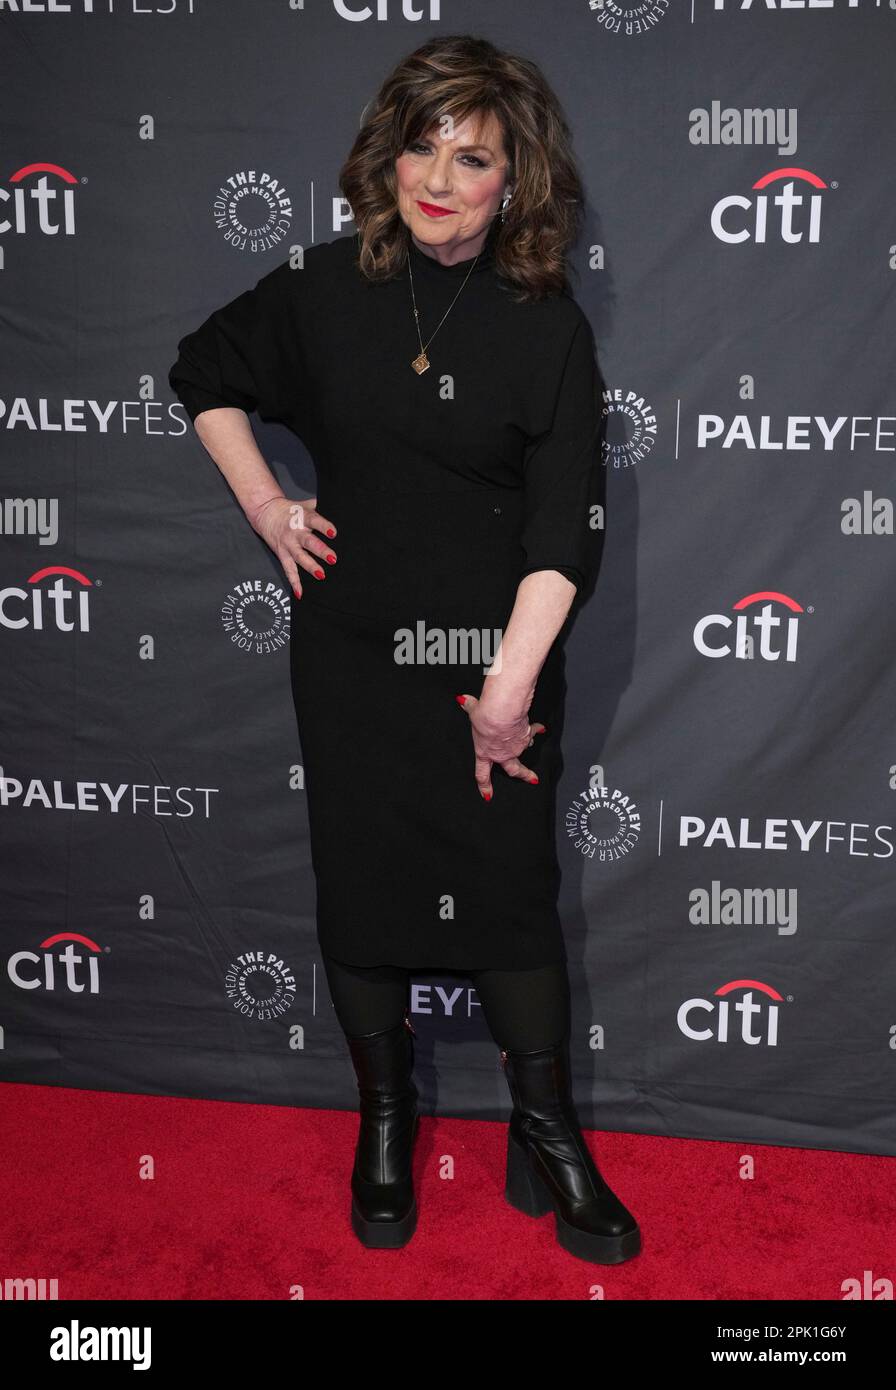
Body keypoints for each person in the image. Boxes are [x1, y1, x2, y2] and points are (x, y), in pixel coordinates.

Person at [168, 33, 640, 1267]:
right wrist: (269, 507)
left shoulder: (547, 333)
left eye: (470, 154)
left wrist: (505, 691)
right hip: (351, 666)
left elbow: (559, 534)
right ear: (386, 157)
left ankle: (544, 1133)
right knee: (364, 897)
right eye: (420, 144)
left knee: (510, 904)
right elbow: (201, 372)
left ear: (512, 180)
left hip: (498, 665)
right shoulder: (321, 293)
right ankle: (384, 1121)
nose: (438, 175)